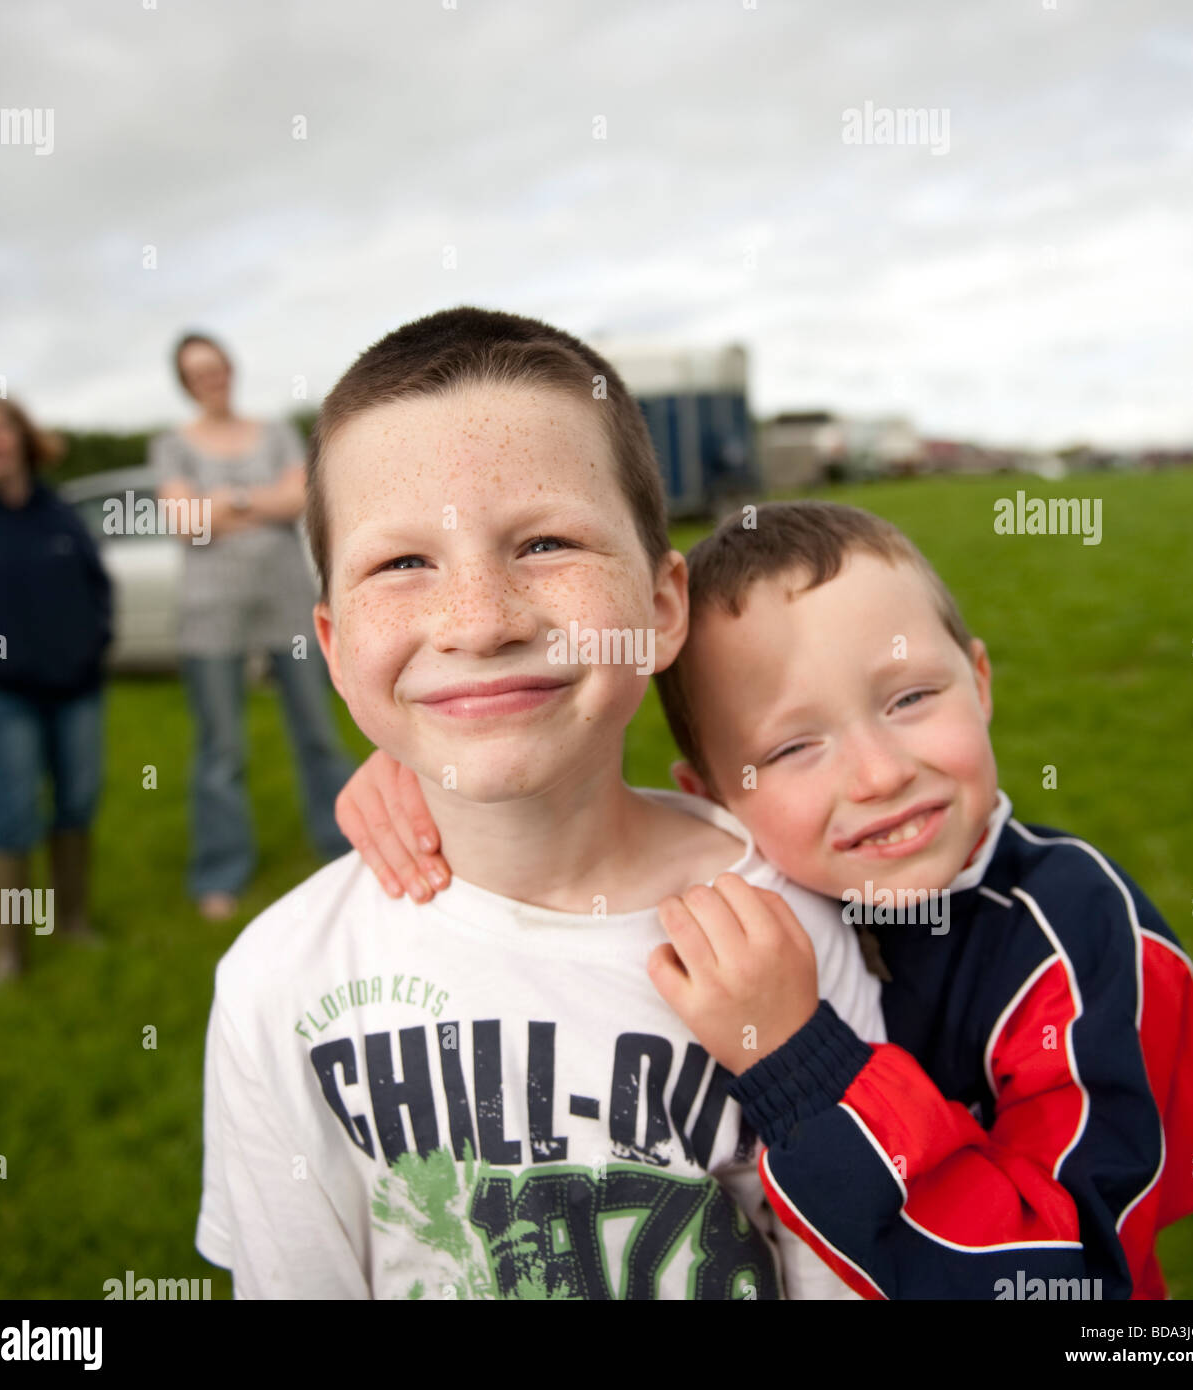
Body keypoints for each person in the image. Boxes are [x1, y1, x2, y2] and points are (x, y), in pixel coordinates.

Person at [339, 501, 1193, 1300]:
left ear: (981, 680)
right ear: (718, 797)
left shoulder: (1082, 943)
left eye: (911, 698)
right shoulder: (760, 869)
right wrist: (439, 785)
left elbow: (1066, 1280)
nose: (879, 775)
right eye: (794, 748)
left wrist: (804, 1063)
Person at [194, 307, 884, 1299]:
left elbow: (853, 1263)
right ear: (336, 646)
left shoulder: (792, 928)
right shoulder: (278, 981)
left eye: (547, 542)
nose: (478, 622)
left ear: (659, 606)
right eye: (402, 563)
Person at [150, 332, 354, 920]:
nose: (210, 378)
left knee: (319, 732)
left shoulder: (276, 432)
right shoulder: (172, 444)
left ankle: (343, 849)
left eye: (216, 366)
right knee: (222, 748)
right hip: (210, 615)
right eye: (197, 372)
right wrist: (258, 499)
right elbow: (184, 520)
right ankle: (220, 870)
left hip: (290, 605)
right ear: (185, 382)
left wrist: (223, 503)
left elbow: (301, 500)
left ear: (230, 369)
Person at [0, 394, 111, 986]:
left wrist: (98, 637)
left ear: (20, 436)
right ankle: (9, 952)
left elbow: (97, 584)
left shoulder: (59, 509)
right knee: (13, 817)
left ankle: (72, 922)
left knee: (76, 804)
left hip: (78, 687)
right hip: (5, 693)